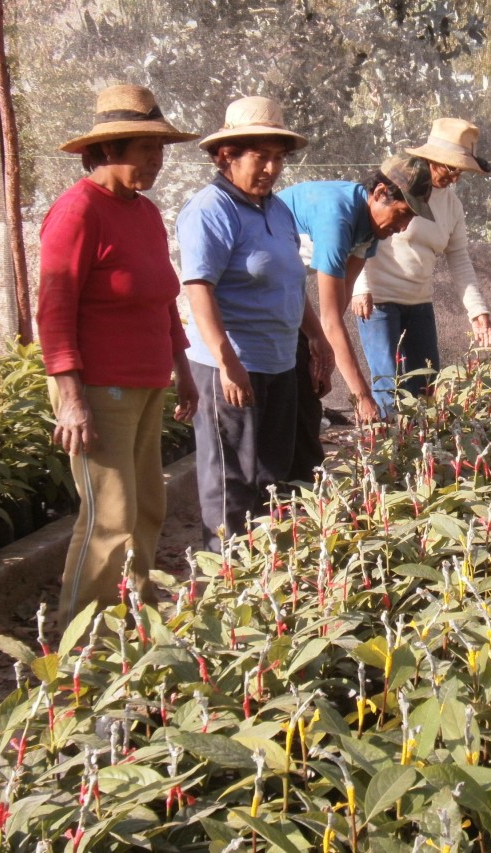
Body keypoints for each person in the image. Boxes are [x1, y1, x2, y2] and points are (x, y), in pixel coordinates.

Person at [37, 83, 199, 626]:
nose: (157, 161)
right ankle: (83, 641)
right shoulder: (78, 212)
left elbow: (163, 299)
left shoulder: (145, 212)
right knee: (110, 515)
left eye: (160, 150)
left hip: (148, 382)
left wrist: (184, 368)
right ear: (108, 150)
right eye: (146, 149)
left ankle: (134, 620)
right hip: (99, 389)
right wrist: (70, 397)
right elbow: (54, 310)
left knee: (148, 507)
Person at [176, 97, 332, 552]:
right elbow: (198, 288)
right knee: (232, 481)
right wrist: (227, 362)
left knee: (270, 474)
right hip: (231, 367)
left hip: (278, 362)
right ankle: (224, 581)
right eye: (260, 156)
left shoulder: (276, 210)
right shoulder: (210, 210)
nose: (271, 168)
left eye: (278, 157)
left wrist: (316, 337)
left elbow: (289, 282)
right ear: (227, 155)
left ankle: (263, 578)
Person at [277, 154, 435, 480]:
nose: (403, 227)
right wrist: (362, 397)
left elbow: (337, 306)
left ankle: (303, 489)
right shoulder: (338, 219)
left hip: (289, 293)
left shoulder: (370, 232)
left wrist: (321, 355)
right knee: (289, 396)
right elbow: (331, 320)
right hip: (262, 290)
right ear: (379, 193)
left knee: (308, 396)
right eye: (403, 214)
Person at [351, 118, 491, 414]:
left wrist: (477, 309)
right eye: (448, 167)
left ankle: (424, 454)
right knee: (390, 388)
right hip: (379, 302)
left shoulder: (452, 205)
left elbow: (459, 257)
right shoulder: (395, 188)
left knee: (428, 387)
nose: (453, 177)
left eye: (460, 171)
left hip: (419, 303)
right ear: (430, 159)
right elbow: (359, 232)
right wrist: (360, 285)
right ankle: (387, 453)